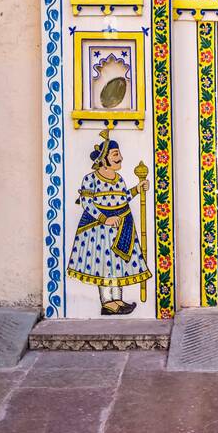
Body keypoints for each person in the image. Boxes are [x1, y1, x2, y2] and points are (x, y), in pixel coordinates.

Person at [67, 129, 151, 314]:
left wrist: (137, 189)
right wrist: (105, 219)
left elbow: (122, 198)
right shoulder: (90, 179)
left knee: (117, 264)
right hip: (98, 228)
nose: (120, 157)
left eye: (119, 153)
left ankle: (117, 300)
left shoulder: (119, 179)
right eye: (115, 154)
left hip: (119, 226)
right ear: (104, 158)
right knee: (104, 265)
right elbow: (87, 202)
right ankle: (107, 302)